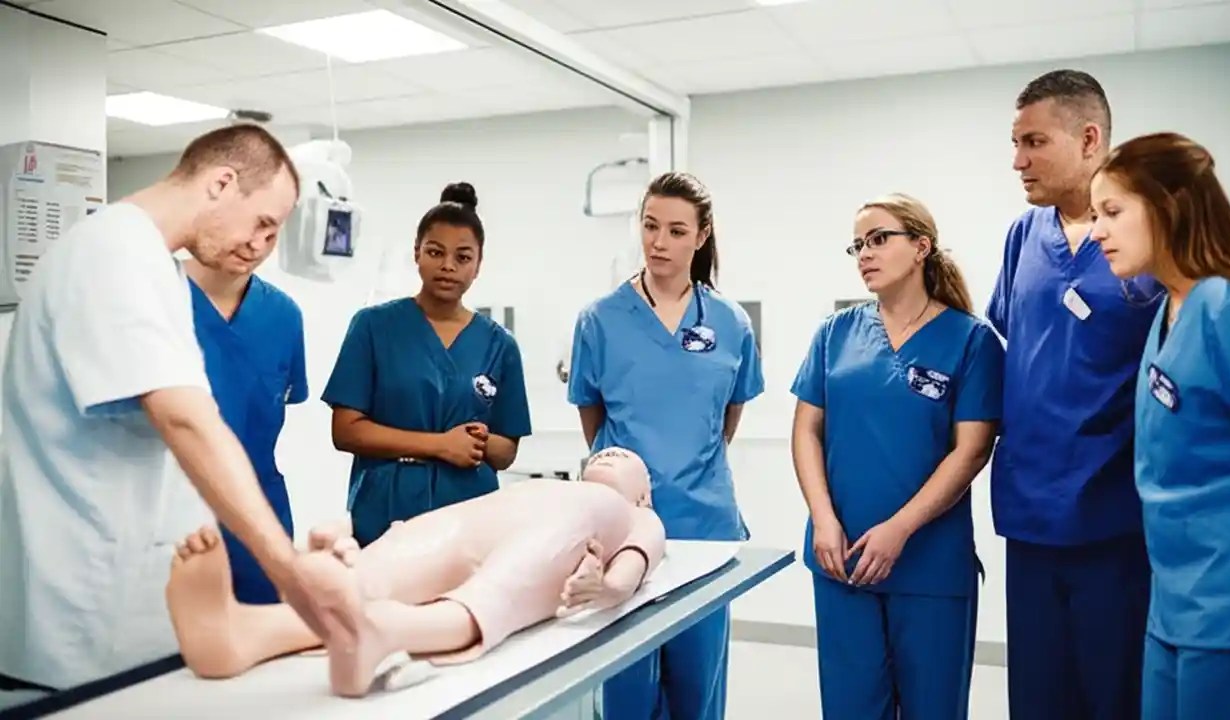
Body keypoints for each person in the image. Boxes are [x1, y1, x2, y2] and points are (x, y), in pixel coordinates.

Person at [0, 124, 340, 692]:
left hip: (130, 611)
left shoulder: (145, 261)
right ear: (222, 182)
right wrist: (292, 573)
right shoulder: (113, 255)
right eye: (263, 220)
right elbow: (185, 419)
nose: (262, 243)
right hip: (87, 621)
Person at [163, 446, 666, 699]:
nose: (611, 454)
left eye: (623, 460)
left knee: (499, 588)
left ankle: (386, 632)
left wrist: (604, 587)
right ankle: (244, 634)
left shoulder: (635, 515)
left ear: (643, 494)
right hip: (483, 514)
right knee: (388, 563)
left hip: (568, 530)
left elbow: (631, 570)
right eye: (602, 455)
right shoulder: (545, 486)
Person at [986, 69, 1161, 720]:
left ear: (1090, 138)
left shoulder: (1143, 235)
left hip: (1114, 520)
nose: (1017, 161)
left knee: (1111, 697)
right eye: (1014, 142)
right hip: (1029, 514)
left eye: (1033, 142)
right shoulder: (1021, 238)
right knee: (1036, 698)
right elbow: (1012, 346)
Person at [791, 193, 1003, 720]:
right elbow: (806, 432)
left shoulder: (970, 340)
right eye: (858, 244)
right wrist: (822, 519)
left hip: (930, 565)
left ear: (921, 247)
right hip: (841, 558)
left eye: (879, 239)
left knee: (933, 708)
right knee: (850, 707)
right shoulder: (834, 334)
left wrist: (900, 529)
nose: (865, 252)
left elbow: (972, 449)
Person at [1090, 132, 1230, 719]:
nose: (1097, 231)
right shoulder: (1170, 309)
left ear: (1169, 203)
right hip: (1174, 602)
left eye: (1113, 212)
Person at [567, 171, 764, 720]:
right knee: (627, 688)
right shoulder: (601, 320)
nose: (658, 242)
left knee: (697, 688)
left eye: (676, 231)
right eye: (650, 226)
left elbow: (729, 414)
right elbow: (592, 415)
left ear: (701, 237)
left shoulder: (729, 323)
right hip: (622, 524)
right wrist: (625, 483)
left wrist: (691, 467)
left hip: (703, 528)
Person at [322, 182, 532, 548]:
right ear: (417, 252)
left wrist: (478, 443)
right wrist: (439, 445)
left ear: (478, 265)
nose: (448, 266)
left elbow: (507, 450)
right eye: (436, 252)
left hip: (469, 515)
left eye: (463, 257)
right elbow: (346, 431)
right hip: (386, 512)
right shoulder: (373, 327)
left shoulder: (500, 345)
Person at [184, 224, 308, 605]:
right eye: (251, 223)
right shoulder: (157, 301)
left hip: (261, 513)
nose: (256, 243)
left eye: (271, 230)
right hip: (179, 518)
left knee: (268, 651)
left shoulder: (284, 316)